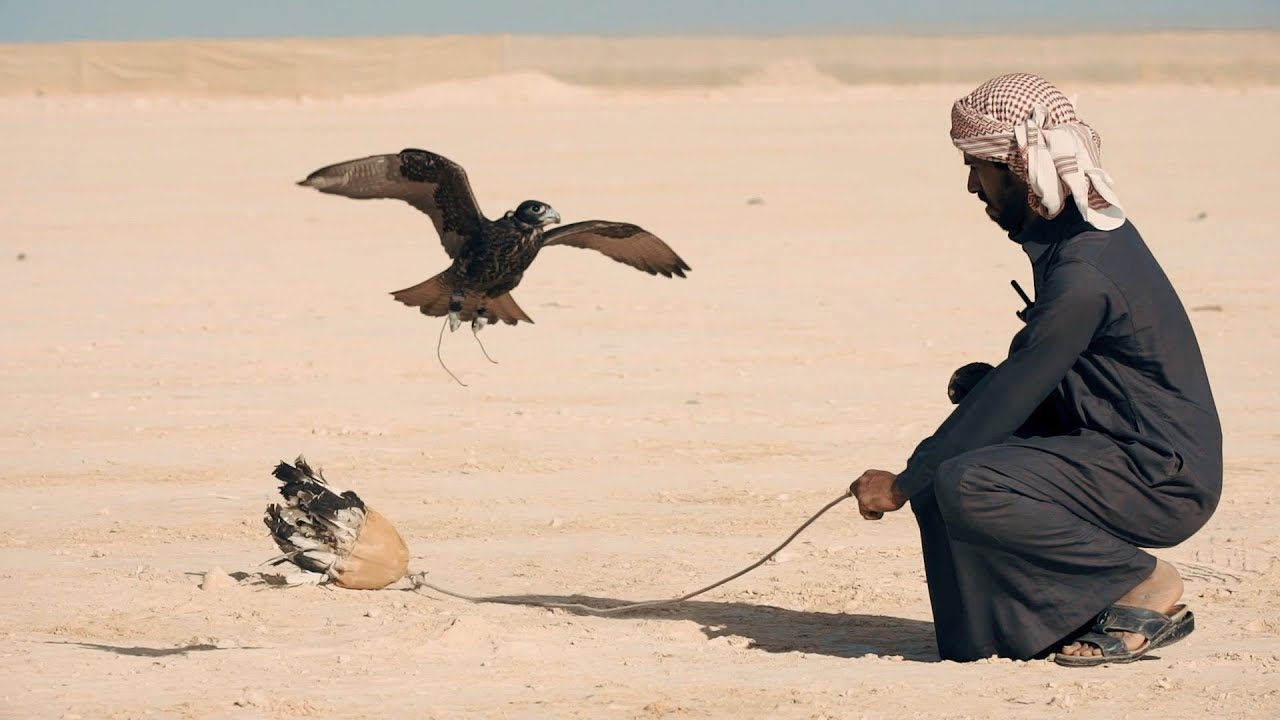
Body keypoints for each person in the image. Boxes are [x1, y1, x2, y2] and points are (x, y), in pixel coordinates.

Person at [849, 73, 1222, 666]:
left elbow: (1014, 393)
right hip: (1106, 445)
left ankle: (1143, 584)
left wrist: (901, 482)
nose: (973, 186)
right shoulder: (1074, 241)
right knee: (947, 463)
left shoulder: (1084, 271)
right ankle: (994, 638)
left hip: (1158, 474)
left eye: (980, 168)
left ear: (1020, 168)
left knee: (963, 477)